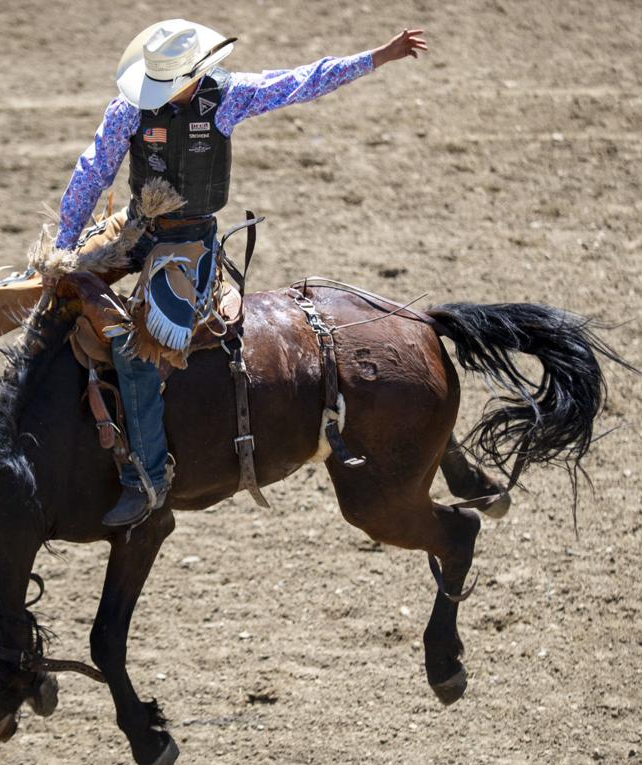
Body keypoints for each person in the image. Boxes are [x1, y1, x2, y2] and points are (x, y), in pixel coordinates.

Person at [55, 19, 427, 528]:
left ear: (194, 73)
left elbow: (302, 80)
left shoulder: (227, 98)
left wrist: (377, 57)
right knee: (56, 292)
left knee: (136, 346)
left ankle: (149, 476)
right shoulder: (129, 109)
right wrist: (62, 248)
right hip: (139, 225)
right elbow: (93, 170)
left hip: (189, 239)